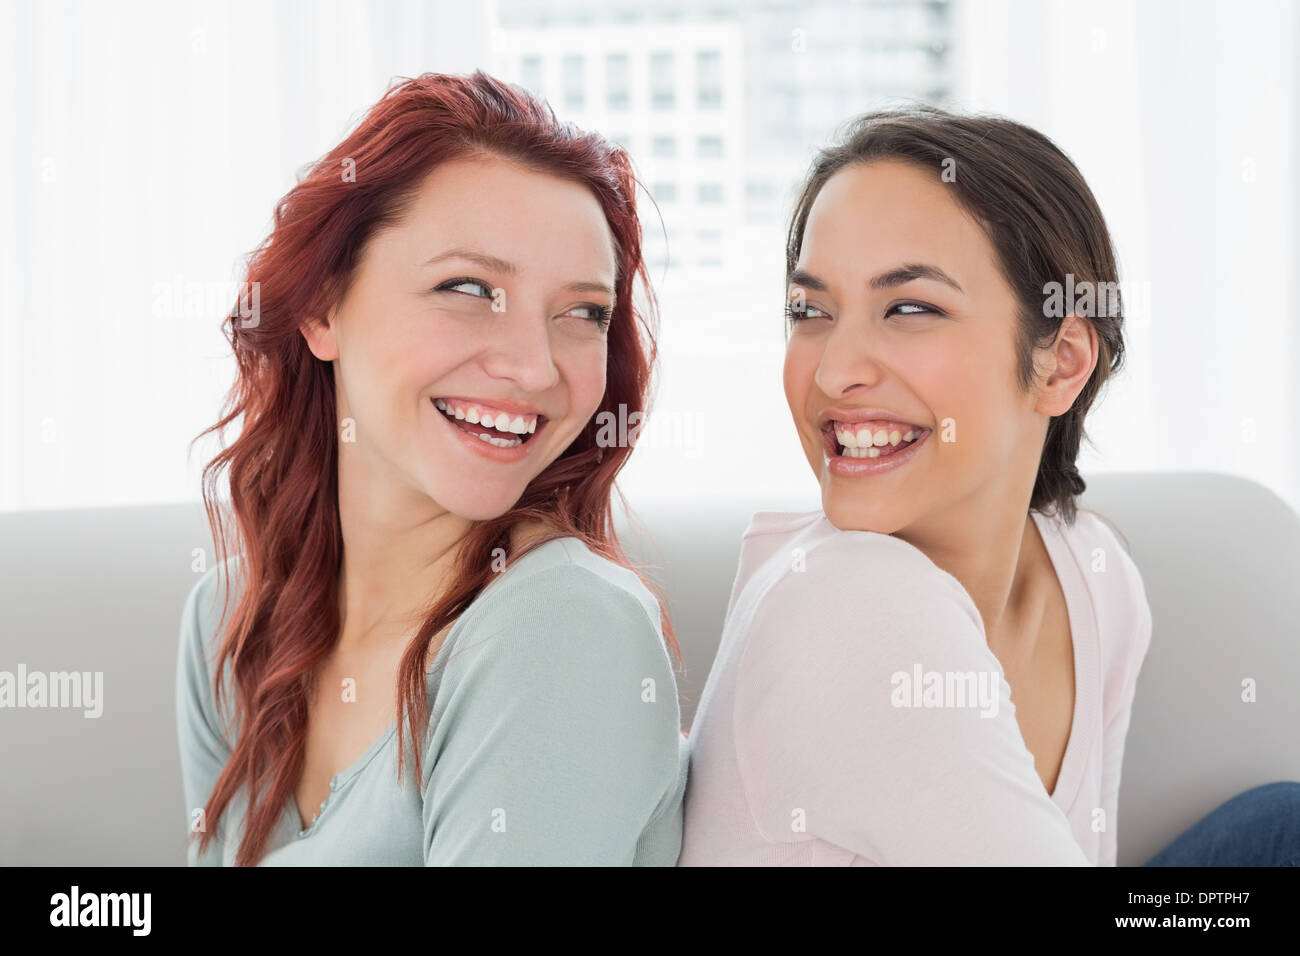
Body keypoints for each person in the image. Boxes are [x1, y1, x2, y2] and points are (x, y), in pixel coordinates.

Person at [680, 105, 1298, 866]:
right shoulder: (849, 601)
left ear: (1062, 362)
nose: (834, 371)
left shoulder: (1093, 575)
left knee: (1282, 826)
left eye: (909, 307)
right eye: (811, 310)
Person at [176, 71, 686, 866]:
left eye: (583, 311)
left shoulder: (562, 627)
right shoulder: (230, 620)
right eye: (470, 288)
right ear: (321, 306)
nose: (533, 366)